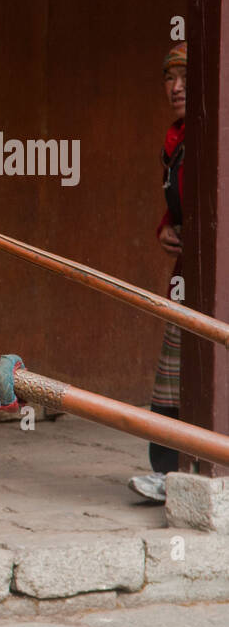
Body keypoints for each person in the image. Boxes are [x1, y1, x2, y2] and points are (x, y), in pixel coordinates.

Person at [129, 43, 187, 503]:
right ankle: (169, 473)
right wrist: (166, 228)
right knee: (175, 372)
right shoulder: (177, 140)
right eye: (169, 77)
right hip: (190, 277)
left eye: (186, 76)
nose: (176, 87)